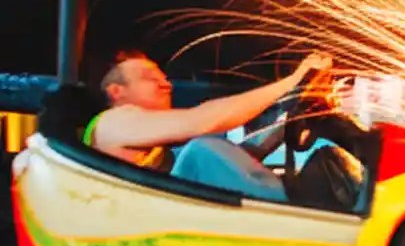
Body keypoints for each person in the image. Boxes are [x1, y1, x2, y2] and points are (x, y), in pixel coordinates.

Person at [84, 50, 334, 202]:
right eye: (150, 78)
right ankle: (294, 218)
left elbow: (243, 155)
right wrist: (291, 82)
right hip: (147, 236)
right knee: (201, 151)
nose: (166, 85)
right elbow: (202, 121)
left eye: (164, 77)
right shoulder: (111, 123)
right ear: (117, 92)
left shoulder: (155, 148)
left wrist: (291, 114)